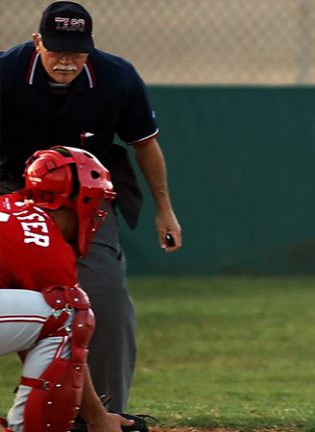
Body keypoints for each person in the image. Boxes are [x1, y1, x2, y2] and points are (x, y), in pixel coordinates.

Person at [0, 1, 182, 412]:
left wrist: (164, 209)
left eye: (76, 51)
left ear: (91, 46)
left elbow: (145, 145)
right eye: (57, 49)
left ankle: (106, 411)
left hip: (86, 193)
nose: (66, 61)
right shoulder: (6, 72)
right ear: (36, 42)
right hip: (12, 184)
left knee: (105, 293)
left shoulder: (116, 77)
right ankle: (41, 391)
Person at [0, 146, 136, 432]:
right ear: (77, 200)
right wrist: (98, 418)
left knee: (56, 316)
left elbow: (33, 333)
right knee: (70, 311)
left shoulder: (9, 205)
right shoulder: (47, 247)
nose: (98, 212)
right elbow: (65, 331)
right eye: (96, 201)